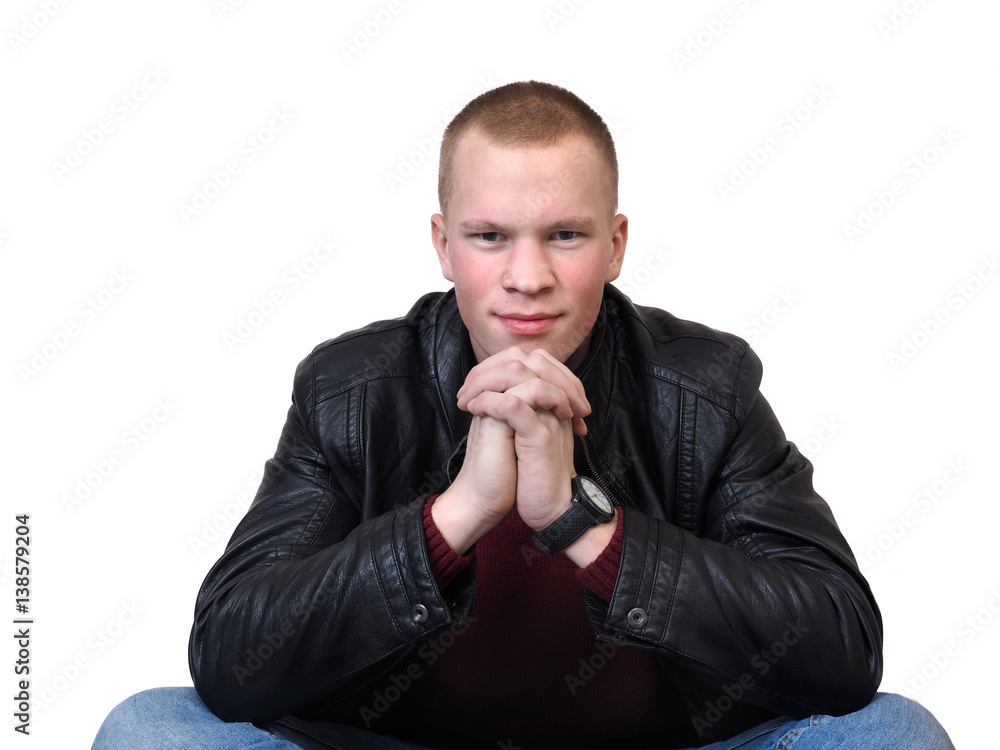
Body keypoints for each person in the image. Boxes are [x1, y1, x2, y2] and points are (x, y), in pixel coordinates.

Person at [92, 81, 955, 749]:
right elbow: (230, 660)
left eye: (566, 237)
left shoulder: (706, 385)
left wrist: (585, 527)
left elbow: (841, 651)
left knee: (897, 733)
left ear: (616, 244)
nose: (527, 276)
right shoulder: (351, 387)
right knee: (146, 728)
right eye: (491, 235)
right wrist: (455, 515)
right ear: (442, 245)